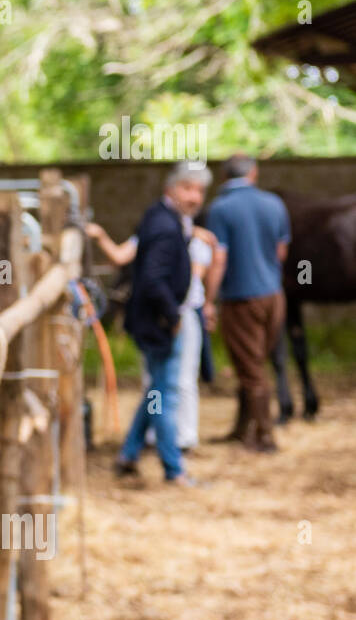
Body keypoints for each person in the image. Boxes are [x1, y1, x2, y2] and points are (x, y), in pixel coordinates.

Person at [86, 209, 218, 451]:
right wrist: (101, 235)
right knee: (154, 381)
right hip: (156, 314)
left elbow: (196, 274)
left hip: (184, 312)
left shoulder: (193, 240)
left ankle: (184, 436)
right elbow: (120, 256)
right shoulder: (155, 233)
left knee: (183, 380)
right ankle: (153, 436)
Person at [110, 162, 209, 486]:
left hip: (150, 320)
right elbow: (153, 279)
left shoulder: (161, 216)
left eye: (200, 191)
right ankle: (173, 468)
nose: (195, 197)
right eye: (188, 188)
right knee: (164, 395)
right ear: (171, 189)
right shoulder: (166, 227)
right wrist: (174, 314)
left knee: (156, 388)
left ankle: (128, 453)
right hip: (158, 323)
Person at [203, 154, 291, 452]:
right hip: (273, 296)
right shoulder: (274, 204)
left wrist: (209, 299)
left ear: (224, 176)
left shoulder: (220, 209)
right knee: (253, 364)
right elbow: (281, 251)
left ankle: (265, 436)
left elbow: (219, 259)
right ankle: (242, 429)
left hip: (241, 298)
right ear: (254, 172)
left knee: (251, 369)